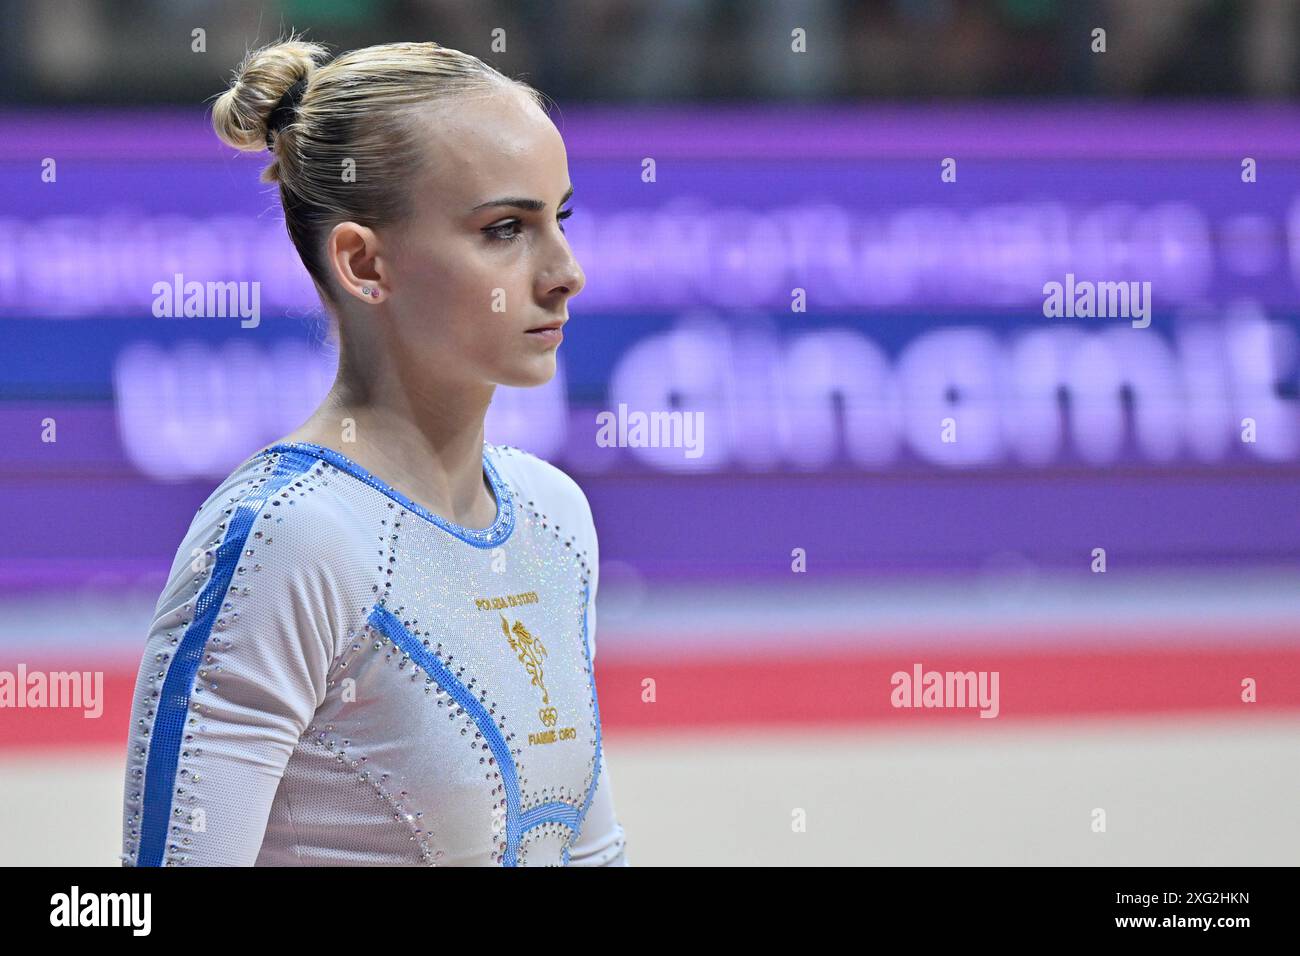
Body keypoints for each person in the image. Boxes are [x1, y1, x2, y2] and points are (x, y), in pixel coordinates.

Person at [119, 36, 627, 866]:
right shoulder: (290, 539)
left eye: (559, 219)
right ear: (363, 262)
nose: (566, 271)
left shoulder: (555, 520)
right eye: (506, 228)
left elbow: (593, 851)